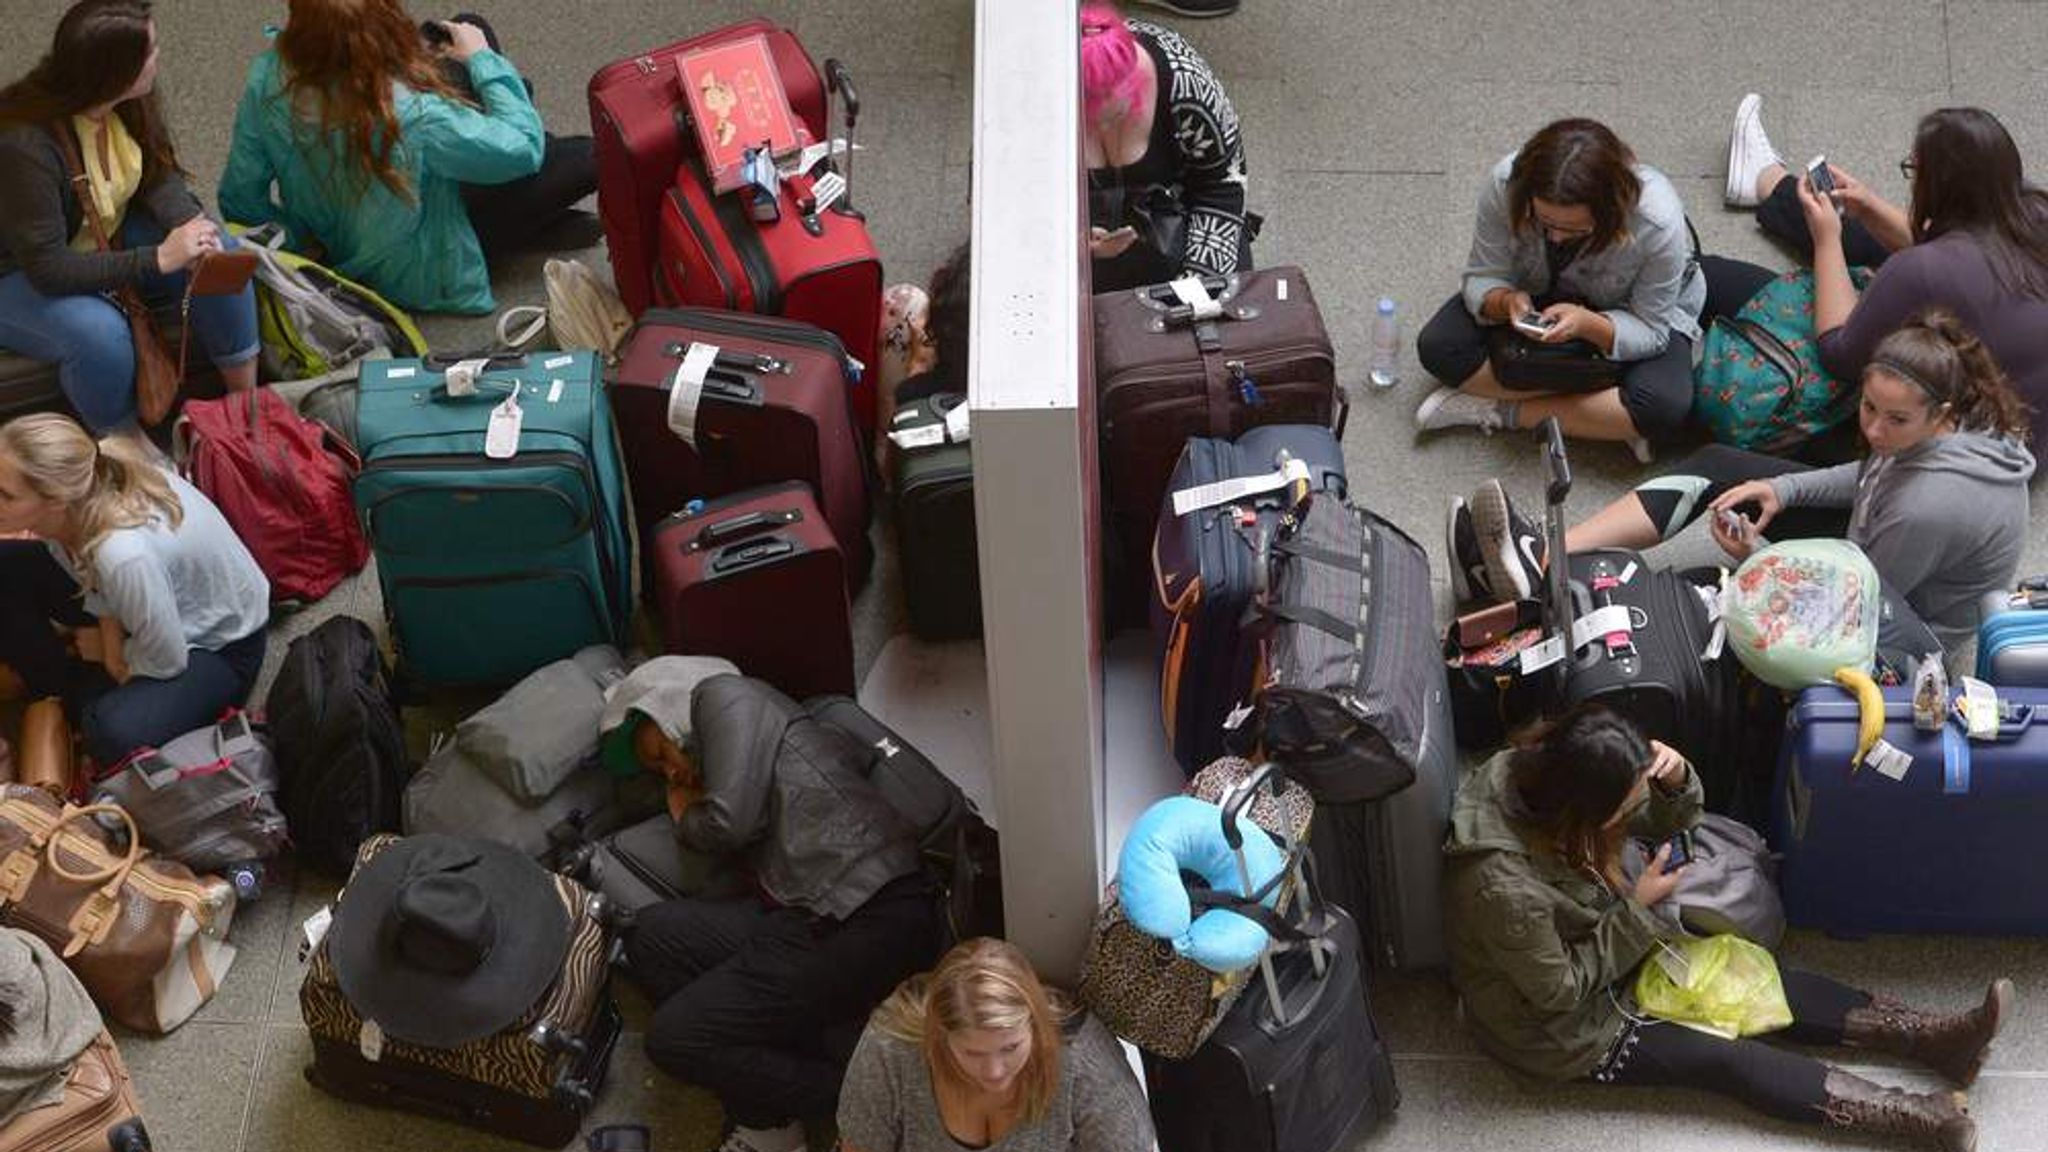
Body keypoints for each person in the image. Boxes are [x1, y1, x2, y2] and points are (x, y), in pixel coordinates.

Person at [1444, 704, 2011, 1152]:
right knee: (1721, 1057)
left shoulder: (1547, 776)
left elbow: (1669, 819)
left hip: (1612, 930)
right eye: (1626, 803)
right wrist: (1638, 911)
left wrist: (1674, 781)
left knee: (1754, 980)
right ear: (1588, 813)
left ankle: (1937, 1039)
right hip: (1557, 1028)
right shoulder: (1501, 887)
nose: (1634, 809)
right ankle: (1914, 1117)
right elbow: (1557, 991)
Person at [1451, 311, 2033, 652]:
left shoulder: (1929, 507)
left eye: (1895, 419)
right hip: (1875, 548)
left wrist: (1759, 556)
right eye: (1869, 408)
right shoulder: (1955, 417)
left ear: (1941, 413)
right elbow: (1876, 476)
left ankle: (1543, 609)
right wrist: (1784, 490)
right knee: (1722, 467)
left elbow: (1853, 607)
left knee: (1708, 594)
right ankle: (1546, 558)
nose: (1875, 429)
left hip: (1897, 628)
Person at [600, 658, 940, 1152]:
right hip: (805, 911)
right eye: (657, 770)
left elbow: (727, 824)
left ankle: (873, 1095)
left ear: (665, 705)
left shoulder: (722, 696)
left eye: (659, 753)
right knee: (650, 934)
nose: (669, 772)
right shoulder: (754, 746)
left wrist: (685, 815)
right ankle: (770, 1106)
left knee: (673, 1040)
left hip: (867, 905)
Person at [1414, 118, 1780, 460]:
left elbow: (1652, 330)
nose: (1556, 237)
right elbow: (1483, 275)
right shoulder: (1506, 184)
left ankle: (1500, 410)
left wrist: (1589, 326)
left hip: (1626, 309)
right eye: (1544, 222)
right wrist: (1505, 302)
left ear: (1612, 211)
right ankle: (1603, 414)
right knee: (1438, 347)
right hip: (1540, 290)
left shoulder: (1656, 221)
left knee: (1662, 405)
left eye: (1576, 229)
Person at [219, 1, 596, 315]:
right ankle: (516, 225)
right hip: (423, 265)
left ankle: (508, 171)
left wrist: (307, 245)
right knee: (591, 153)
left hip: (344, 232)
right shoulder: (412, 113)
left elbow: (241, 199)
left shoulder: (267, 75)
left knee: (467, 27)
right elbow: (523, 149)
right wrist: (484, 60)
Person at [0, 0, 259, 437]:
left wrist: (188, 224)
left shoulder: (125, 100)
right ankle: (128, 448)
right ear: (115, 72)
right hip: (21, 270)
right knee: (99, 335)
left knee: (220, 256)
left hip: (99, 229)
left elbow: (156, 171)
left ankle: (247, 406)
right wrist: (159, 257)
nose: (159, 57)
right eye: (151, 51)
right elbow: (48, 269)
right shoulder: (23, 146)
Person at [1725, 99, 2048, 447]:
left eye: (1914, 169)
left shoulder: (1922, 270)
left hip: (1975, 450)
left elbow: (1838, 353)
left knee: (1790, 289)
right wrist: (1867, 205)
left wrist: (1827, 241)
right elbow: (1934, 248)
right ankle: (1770, 184)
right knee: (1855, 232)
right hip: (2031, 427)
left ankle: (1708, 262)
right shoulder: (2033, 212)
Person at [0, 413, 269, 768]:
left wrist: (112, 653)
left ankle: (75, 703)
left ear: (56, 499)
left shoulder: (122, 554)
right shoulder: (73, 506)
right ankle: (57, 694)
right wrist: (110, 641)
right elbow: (93, 581)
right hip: (141, 599)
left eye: (6, 496)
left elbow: (167, 660)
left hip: (220, 646)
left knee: (109, 731)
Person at [836, 937, 1156, 1152]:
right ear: (939, 1035)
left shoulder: (1082, 1057)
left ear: (1035, 1025)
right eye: (972, 1053)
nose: (994, 1071)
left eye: (1010, 1048)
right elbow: (859, 1145)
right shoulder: (892, 1045)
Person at [1081, 2, 1254, 292]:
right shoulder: (1025, 106)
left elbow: (1222, 187)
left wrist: (1195, 287)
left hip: (1178, 224)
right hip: (1077, 241)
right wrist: (1073, 240)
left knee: (1223, 304)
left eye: (1111, 99)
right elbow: (1015, 199)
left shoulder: (1186, 84)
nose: (1101, 117)